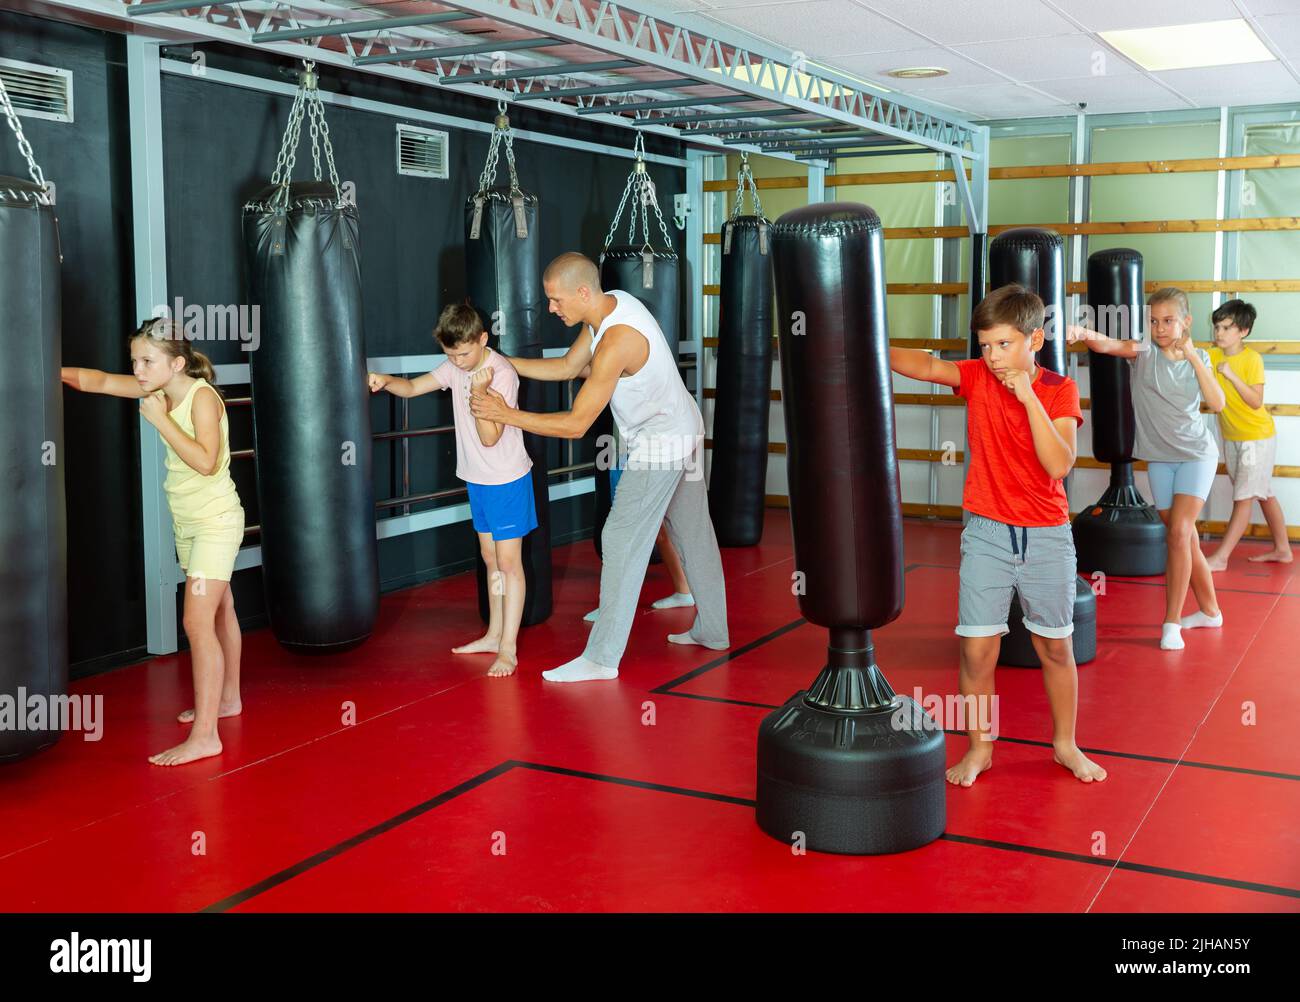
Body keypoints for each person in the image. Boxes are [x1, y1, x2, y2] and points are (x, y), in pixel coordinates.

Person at [470, 252, 728, 682]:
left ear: (582, 292)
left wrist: (504, 413)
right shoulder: (609, 307)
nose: (551, 308)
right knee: (694, 533)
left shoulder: (616, 341)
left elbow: (575, 425)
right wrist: (500, 363)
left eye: (555, 300)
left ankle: (601, 658)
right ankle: (714, 632)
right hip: (686, 428)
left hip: (662, 445)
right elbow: (570, 367)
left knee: (620, 537)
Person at [891, 284, 1105, 787]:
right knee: (977, 649)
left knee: (1054, 647)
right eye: (985, 345)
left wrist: (1026, 394)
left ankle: (1065, 744)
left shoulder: (1059, 390)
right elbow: (924, 366)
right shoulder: (976, 377)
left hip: (1048, 535)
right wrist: (864, 338)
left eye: (1003, 344)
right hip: (986, 531)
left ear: (1035, 340)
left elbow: (1059, 464)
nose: (991, 356)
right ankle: (981, 748)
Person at [62, 318, 246, 766]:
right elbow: (99, 381)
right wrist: (43, 369)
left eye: (147, 361)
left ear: (177, 363)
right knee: (222, 610)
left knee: (196, 622)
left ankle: (207, 737)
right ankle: (228, 701)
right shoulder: (157, 389)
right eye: (135, 362)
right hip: (189, 523)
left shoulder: (201, 399)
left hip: (216, 523)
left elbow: (205, 462)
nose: (139, 371)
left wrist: (161, 421)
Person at [368, 304, 535, 678]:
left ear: (482, 339)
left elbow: (490, 438)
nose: (457, 362)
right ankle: (493, 634)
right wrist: (384, 379)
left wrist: (479, 392)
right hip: (478, 478)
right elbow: (412, 388)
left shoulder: (501, 374)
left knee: (509, 564)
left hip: (506, 478)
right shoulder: (456, 366)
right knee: (490, 559)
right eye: (449, 355)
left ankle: (508, 648)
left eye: (463, 354)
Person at [1069, 287, 1226, 650]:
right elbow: (1108, 345)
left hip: (1195, 456)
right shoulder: (1144, 352)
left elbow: (1216, 403)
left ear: (1186, 322)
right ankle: (1210, 611)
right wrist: (1081, 332)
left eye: (1168, 321)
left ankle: (1170, 621)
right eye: (1154, 321)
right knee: (1184, 538)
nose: (1159, 328)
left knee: (1179, 533)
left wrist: (1192, 356)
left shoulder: (1198, 356)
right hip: (1160, 460)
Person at [1204, 299, 1292, 570]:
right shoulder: (1212, 354)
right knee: (1262, 492)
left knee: (1243, 498)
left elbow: (1255, 401)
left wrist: (1231, 375)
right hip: (1232, 437)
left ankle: (1221, 558)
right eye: (1217, 327)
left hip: (1257, 438)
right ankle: (1283, 549)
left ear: (1243, 331)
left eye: (1227, 328)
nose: (1219, 333)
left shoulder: (1251, 359)